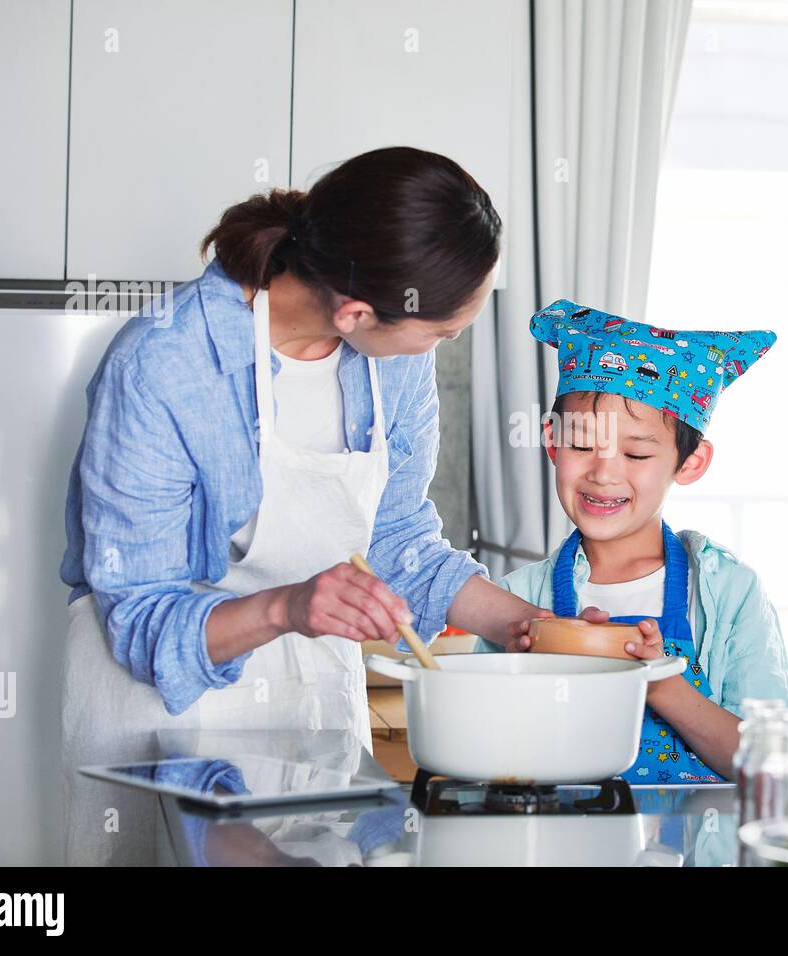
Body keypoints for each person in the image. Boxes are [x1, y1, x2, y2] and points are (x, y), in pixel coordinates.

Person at [58, 147, 547, 863]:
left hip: (308, 691)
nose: (443, 345)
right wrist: (287, 608)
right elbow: (139, 616)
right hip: (155, 705)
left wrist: (530, 625)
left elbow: (396, 537)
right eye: (442, 333)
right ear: (354, 311)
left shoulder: (393, 362)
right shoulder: (164, 367)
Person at [478, 298, 788, 785]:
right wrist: (525, 683)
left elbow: (773, 769)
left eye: (636, 453)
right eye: (582, 444)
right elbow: (486, 758)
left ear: (689, 463)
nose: (604, 472)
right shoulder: (516, 602)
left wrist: (662, 685)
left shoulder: (731, 593)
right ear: (551, 442)